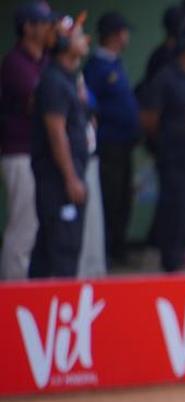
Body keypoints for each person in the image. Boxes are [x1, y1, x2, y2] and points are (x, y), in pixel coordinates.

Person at [141, 17, 185, 272]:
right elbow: (149, 120)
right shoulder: (166, 77)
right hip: (177, 163)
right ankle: (171, 271)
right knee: (177, 218)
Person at [29, 13, 91, 279]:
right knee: (61, 250)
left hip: (70, 174)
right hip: (58, 181)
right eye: (78, 35)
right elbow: (56, 134)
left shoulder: (68, 78)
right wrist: (71, 178)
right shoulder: (53, 82)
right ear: (64, 44)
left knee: (52, 249)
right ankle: (53, 313)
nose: (85, 40)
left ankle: (40, 311)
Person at [1, 1, 53, 279]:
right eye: (43, 23)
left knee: (39, 227)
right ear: (28, 27)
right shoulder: (15, 62)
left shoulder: (45, 60)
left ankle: (26, 290)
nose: (49, 28)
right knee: (23, 227)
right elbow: (41, 105)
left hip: (39, 154)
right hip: (19, 153)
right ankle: (11, 292)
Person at [83, 12, 139, 266]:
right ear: (115, 35)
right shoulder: (95, 66)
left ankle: (117, 249)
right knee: (109, 199)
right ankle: (105, 252)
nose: (126, 37)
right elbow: (90, 105)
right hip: (108, 146)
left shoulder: (116, 63)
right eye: (123, 32)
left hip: (124, 145)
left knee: (123, 199)